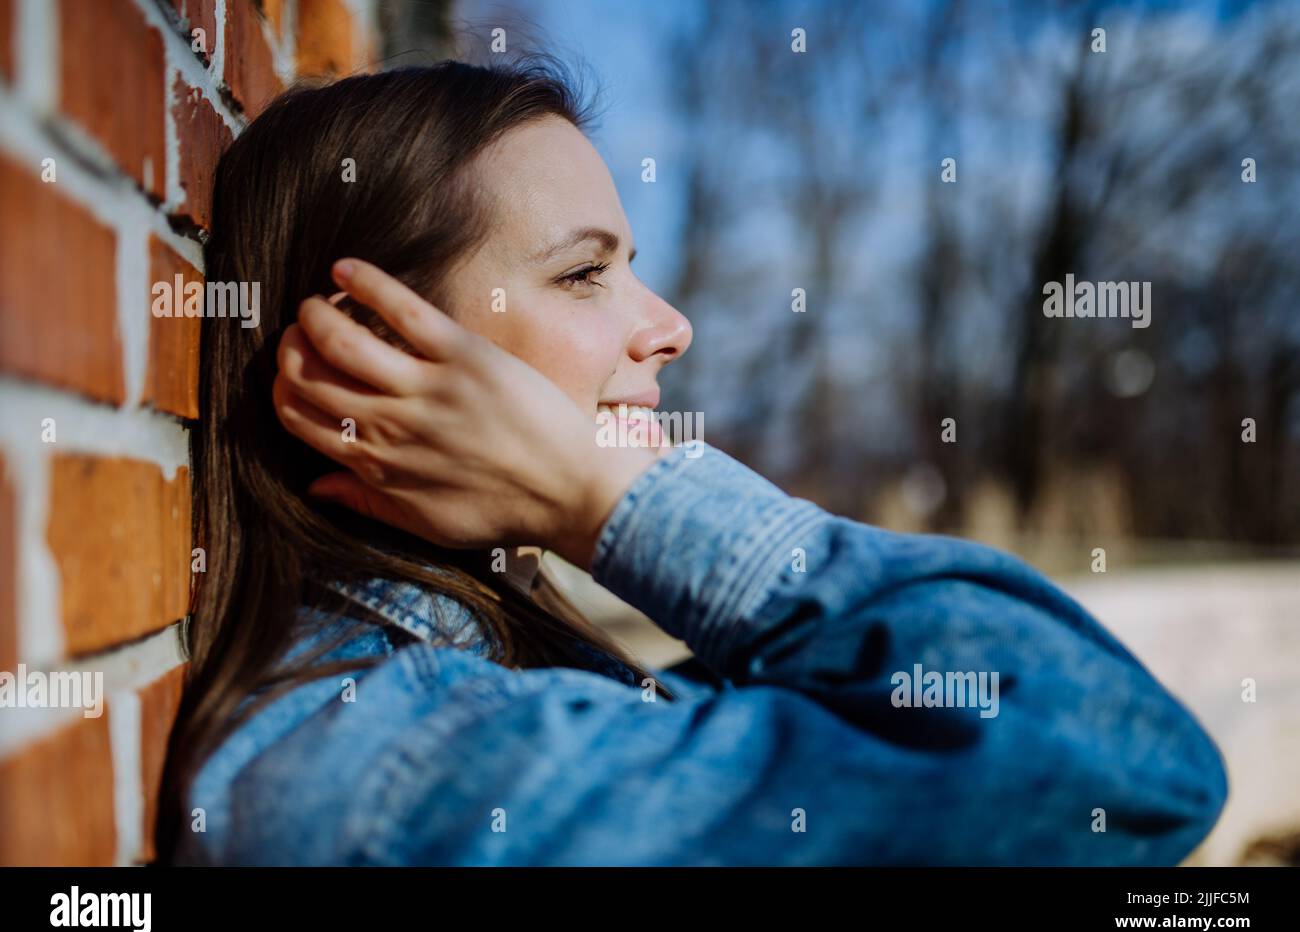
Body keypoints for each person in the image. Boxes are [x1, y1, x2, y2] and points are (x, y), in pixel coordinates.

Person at [158, 57, 1227, 865]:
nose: (669, 326)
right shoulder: (389, 766)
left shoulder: (498, 690)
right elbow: (1122, 770)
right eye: (584, 274)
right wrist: (601, 492)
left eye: (633, 269)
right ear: (369, 349)